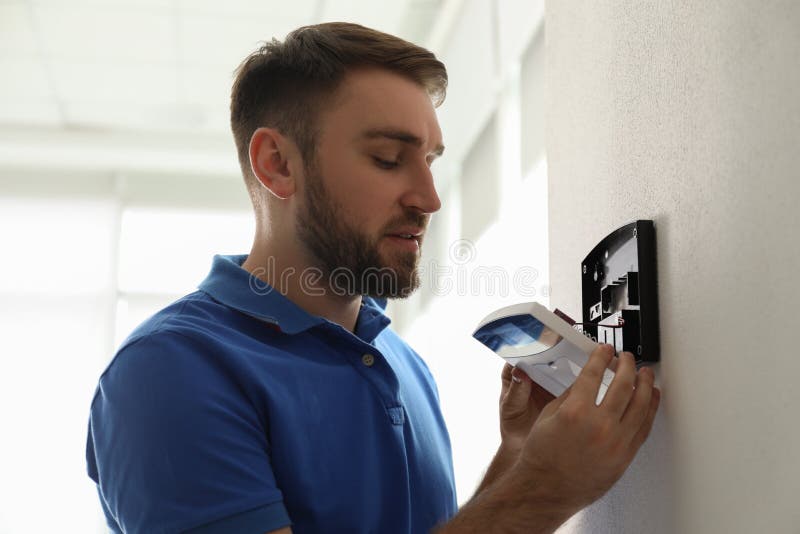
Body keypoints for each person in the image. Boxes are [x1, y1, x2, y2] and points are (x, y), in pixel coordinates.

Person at [85, 22, 660, 534]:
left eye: (431, 160)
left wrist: (518, 457)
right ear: (278, 165)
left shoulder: (401, 363)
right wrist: (543, 492)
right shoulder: (170, 371)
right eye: (388, 158)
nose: (429, 198)